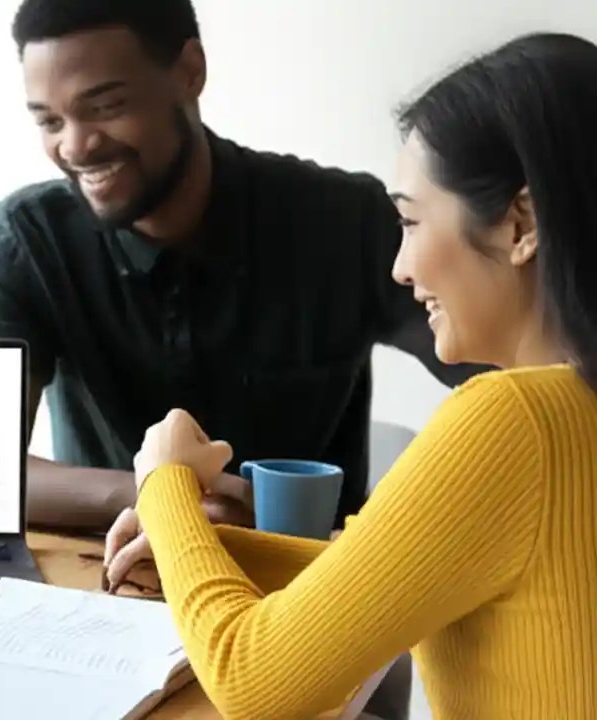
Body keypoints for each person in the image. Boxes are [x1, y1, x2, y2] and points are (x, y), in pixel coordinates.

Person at [115, 31, 597, 719]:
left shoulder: (514, 421)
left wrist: (166, 483)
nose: (401, 268)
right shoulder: (571, 414)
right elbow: (403, 573)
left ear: (521, 222)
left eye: (410, 221)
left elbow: (256, 683)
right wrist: (197, 546)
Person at [0, 0, 486, 540]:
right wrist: (159, 491)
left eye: (106, 105)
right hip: (108, 582)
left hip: (311, 595)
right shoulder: (26, 244)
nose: (74, 145)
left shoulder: (346, 222)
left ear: (190, 72)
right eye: (49, 120)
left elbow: (514, 376)